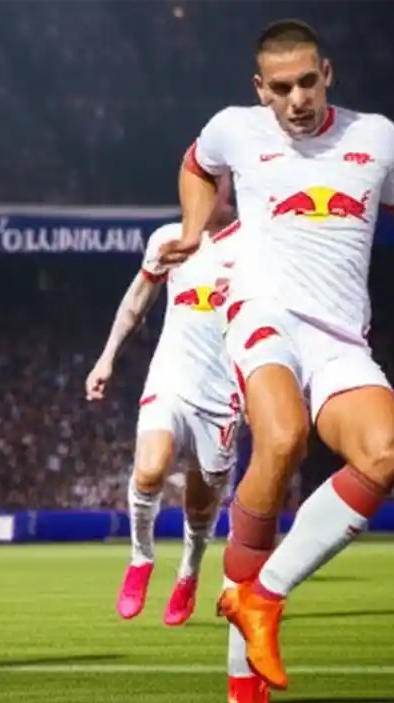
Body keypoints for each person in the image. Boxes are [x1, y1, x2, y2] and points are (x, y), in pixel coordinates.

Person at [164, 18, 394, 703]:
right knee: (283, 437)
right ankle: (242, 663)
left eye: (308, 81)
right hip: (261, 313)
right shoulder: (234, 128)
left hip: (339, 337)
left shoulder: (377, 137)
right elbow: (194, 165)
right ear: (259, 90)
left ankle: (261, 596)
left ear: (327, 72)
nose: (297, 98)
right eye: (282, 87)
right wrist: (193, 227)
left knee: (386, 453)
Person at [85, 174, 241, 628]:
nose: (205, 193)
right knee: (149, 469)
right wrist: (106, 358)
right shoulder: (169, 240)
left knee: (200, 502)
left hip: (223, 393)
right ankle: (141, 558)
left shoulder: (254, 244)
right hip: (170, 376)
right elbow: (137, 300)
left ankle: (189, 572)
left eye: (216, 184)